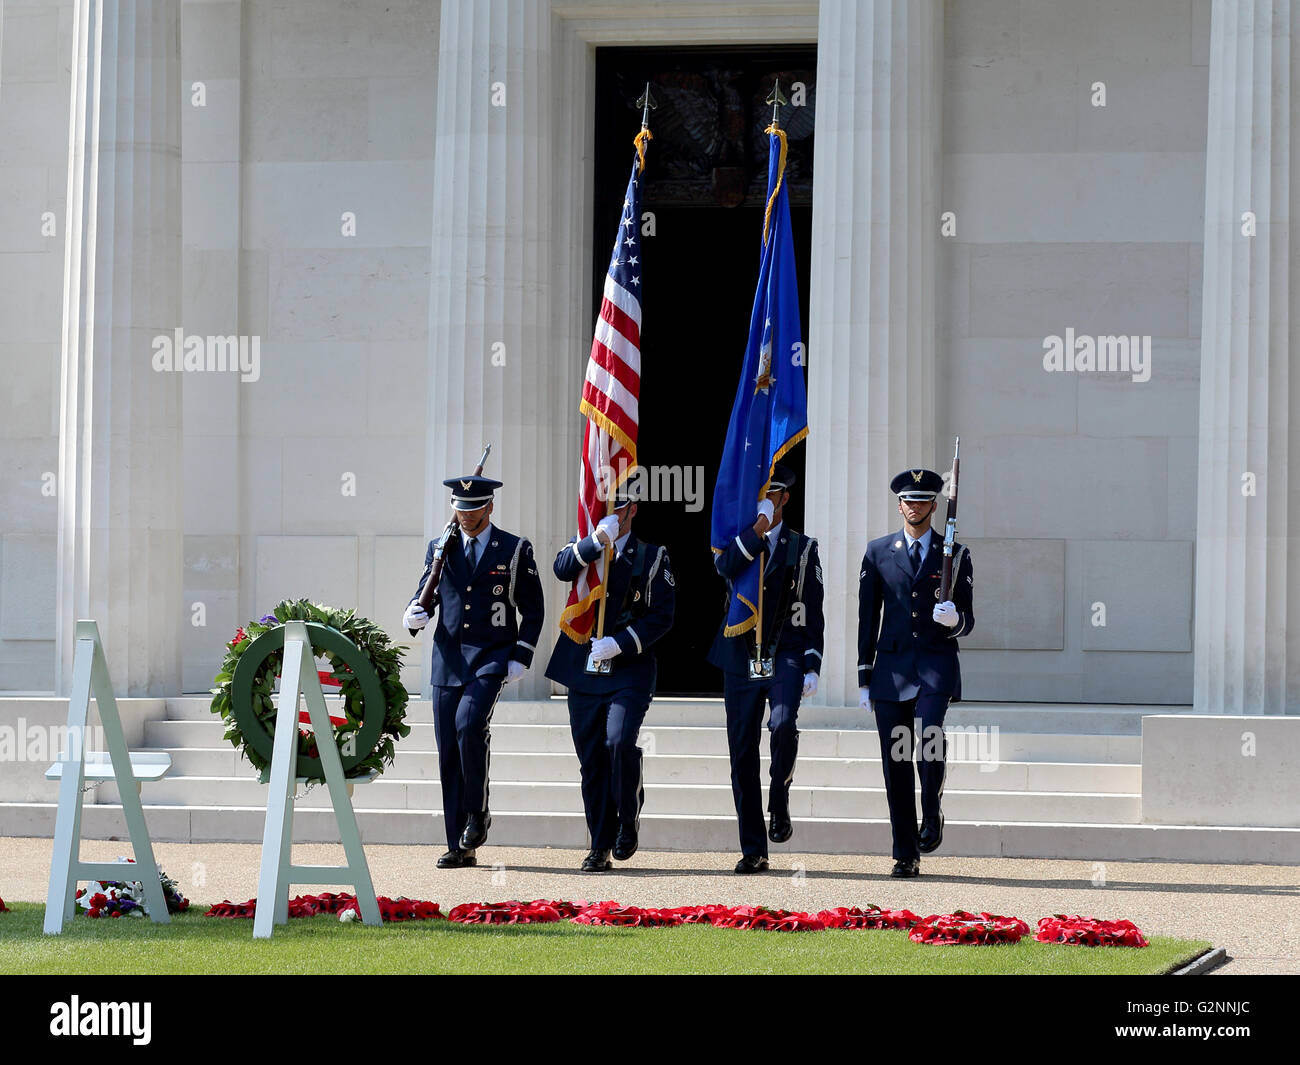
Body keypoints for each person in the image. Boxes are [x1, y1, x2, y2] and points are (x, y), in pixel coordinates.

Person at [404, 474, 545, 868]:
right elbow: (426, 595)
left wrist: (521, 655)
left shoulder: (514, 549)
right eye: (460, 510)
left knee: (469, 724)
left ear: (489, 507)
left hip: (490, 656)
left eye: (473, 510)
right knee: (448, 748)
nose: (466, 518)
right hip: (447, 659)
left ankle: (477, 814)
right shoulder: (439, 547)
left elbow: (533, 609)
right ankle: (459, 843)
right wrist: (414, 612)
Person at [545, 487, 675, 872]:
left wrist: (620, 643)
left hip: (627, 668)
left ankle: (628, 815)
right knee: (590, 759)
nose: (611, 513)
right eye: (604, 506)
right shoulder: (585, 545)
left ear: (632, 509)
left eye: (617, 507)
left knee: (618, 741)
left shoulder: (652, 556)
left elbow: (662, 615)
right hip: (582, 666)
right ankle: (599, 843)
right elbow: (561, 568)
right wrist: (594, 541)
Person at [857, 468, 974, 878]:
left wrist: (954, 617)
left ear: (934, 506)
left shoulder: (954, 553)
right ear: (899, 504)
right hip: (890, 668)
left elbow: (969, 620)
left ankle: (932, 805)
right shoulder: (877, 551)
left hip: (935, 663)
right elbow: (867, 617)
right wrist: (864, 675)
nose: (914, 507)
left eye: (922, 501)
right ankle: (904, 852)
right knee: (895, 760)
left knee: (928, 737)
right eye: (908, 500)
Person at [708, 464, 824, 874]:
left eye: (771, 496)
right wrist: (756, 527)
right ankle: (753, 848)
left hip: (786, 652)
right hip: (739, 654)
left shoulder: (802, 547)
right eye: (758, 496)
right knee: (741, 751)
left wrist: (813, 663)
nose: (764, 502)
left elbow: (813, 611)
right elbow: (724, 570)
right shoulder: (737, 542)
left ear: (784, 498)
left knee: (782, 724)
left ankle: (780, 793)